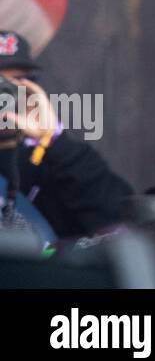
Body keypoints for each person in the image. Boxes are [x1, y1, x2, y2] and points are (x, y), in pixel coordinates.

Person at [0, 30, 133, 241]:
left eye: (19, 82)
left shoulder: (50, 159)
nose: (6, 95)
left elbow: (119, 220)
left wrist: (53, 139)